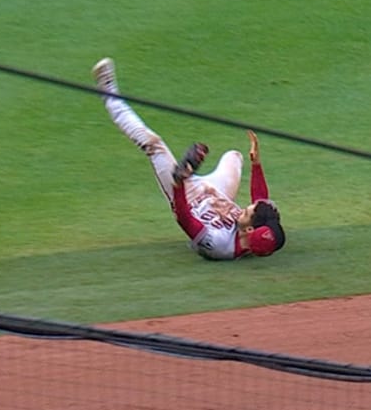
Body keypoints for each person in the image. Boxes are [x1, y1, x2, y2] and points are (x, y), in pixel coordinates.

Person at [93, 58, 285, 260]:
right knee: (234, 156)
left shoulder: (218, 244)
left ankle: (110, 94)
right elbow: (261, 200)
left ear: (248, 231)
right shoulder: (258, 225)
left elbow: (184, 219)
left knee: (154, 144)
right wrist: (256, 163)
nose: (244, 210)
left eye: (246, 213)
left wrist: (178, 182)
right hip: (217, 192)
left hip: (188, 195)